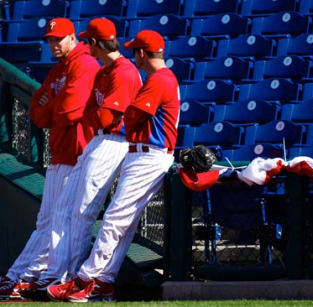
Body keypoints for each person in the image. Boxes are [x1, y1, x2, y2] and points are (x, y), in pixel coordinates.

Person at [47, 29, 179, 302]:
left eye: (135, 51)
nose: (134, 56)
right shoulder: (161, 77)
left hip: (149, 154)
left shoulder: (160, 79)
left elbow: (130, 117)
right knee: (123, 224)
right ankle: (103, 282)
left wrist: (124, 116)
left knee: (114, 220)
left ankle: (86, 279)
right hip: (143, 153)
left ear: (142, 53)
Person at [22, 17, 143, 296]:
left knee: (82, 212)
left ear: (96, 43)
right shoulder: (103, 72)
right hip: (98, 140)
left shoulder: (122, 71)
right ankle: (58, 275)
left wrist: (56, 107)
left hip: (115, 141)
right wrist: (63, 109)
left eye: (90, 41)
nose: (88, 46)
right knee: (65, 210)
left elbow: (101, 116)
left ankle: (76, 278)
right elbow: (87, 115)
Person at [0, 18, 100, 299]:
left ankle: (39, 276)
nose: (53, 44)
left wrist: (53, 106)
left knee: (62, 219)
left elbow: (69, 111)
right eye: (50, 40)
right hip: (59, 151)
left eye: (58, 39)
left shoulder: (85, 64)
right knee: (47, 220)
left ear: (72, 38)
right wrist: (56, 106)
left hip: (79, 152)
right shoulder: (59, 70)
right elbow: (37, 113)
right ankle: (22, 275)